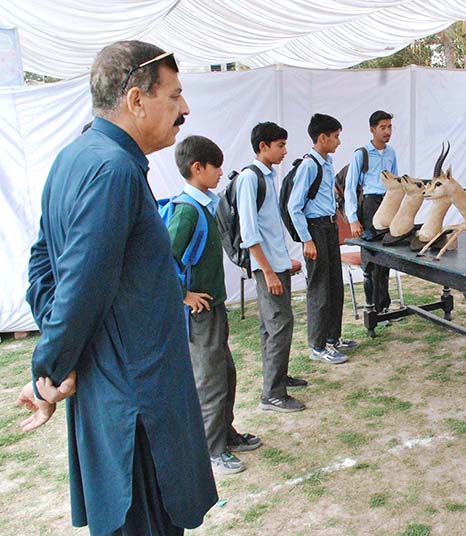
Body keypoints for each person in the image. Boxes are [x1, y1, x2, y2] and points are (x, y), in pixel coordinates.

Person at [15, 41, 217, 535]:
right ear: (135, 100)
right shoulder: (114, 169)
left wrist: (66, 361)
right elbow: (81, 286)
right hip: (137, 409)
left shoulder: (77, 156)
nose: (184, 109)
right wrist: (51, 371)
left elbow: (43, 268)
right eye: (174, 96)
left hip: (118, 391)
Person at [167, 135, 262, 474]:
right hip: (199, 311)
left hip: (214, 306)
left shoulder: (205, 203)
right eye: (216, 166)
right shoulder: (186, 211)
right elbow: (162, 261)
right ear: (198, 168)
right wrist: (184, 295)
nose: (221, 172)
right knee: (209, 380)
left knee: (226, 373)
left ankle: (227, 433)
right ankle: (212, 448)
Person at [237, 122, 307, 413]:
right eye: (280, 145)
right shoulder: (250, 179)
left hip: (275, 263)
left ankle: (278, 375)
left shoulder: (267, 177)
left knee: (274, 324)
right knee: (279, 325)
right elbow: (249, 232)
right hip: (267, 267)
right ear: (263, 146)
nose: (284, 151)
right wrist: (266, 271)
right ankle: (272, 394)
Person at [288, 113, 358, 364]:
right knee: (319, 289)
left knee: (334, 285)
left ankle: (333, 338)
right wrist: (307, 240)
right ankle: (318, 346)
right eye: (336, 137)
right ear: (322, 137)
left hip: (329, 228)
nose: (339, 142)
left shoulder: (326, 164)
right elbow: (294, 206)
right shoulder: (309, 165)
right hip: (315, 230)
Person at [344, 110, 397, 314]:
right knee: (373, 255)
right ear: (372, 129)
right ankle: (373, 306)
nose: (387, 131)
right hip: (370, 204)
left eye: (389, 127)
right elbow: (350, 187)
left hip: (388, 204)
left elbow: (396, 180)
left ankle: (384, 305)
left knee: (388, 254)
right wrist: (353, 219)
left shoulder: (391, 152)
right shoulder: (362, 153)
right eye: (382, 127)